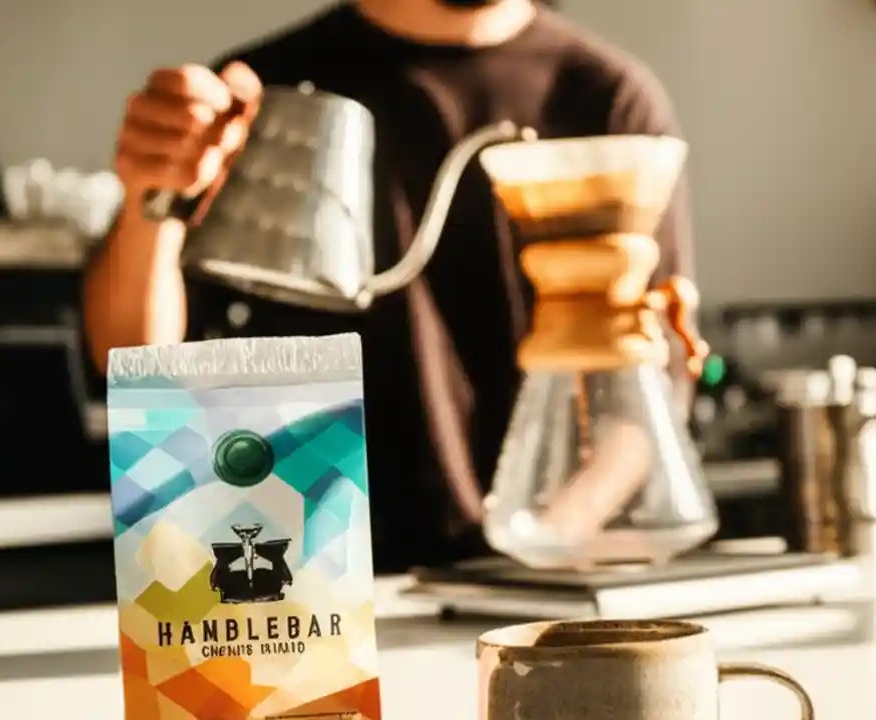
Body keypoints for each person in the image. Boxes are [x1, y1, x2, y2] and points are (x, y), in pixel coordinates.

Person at [84, 0, 694, 572]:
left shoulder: (606, 101)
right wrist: (150, 197)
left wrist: (533, 555)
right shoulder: (263, 95)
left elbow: (645, 384)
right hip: (299, 596)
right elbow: (138, 362)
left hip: (529, 587)